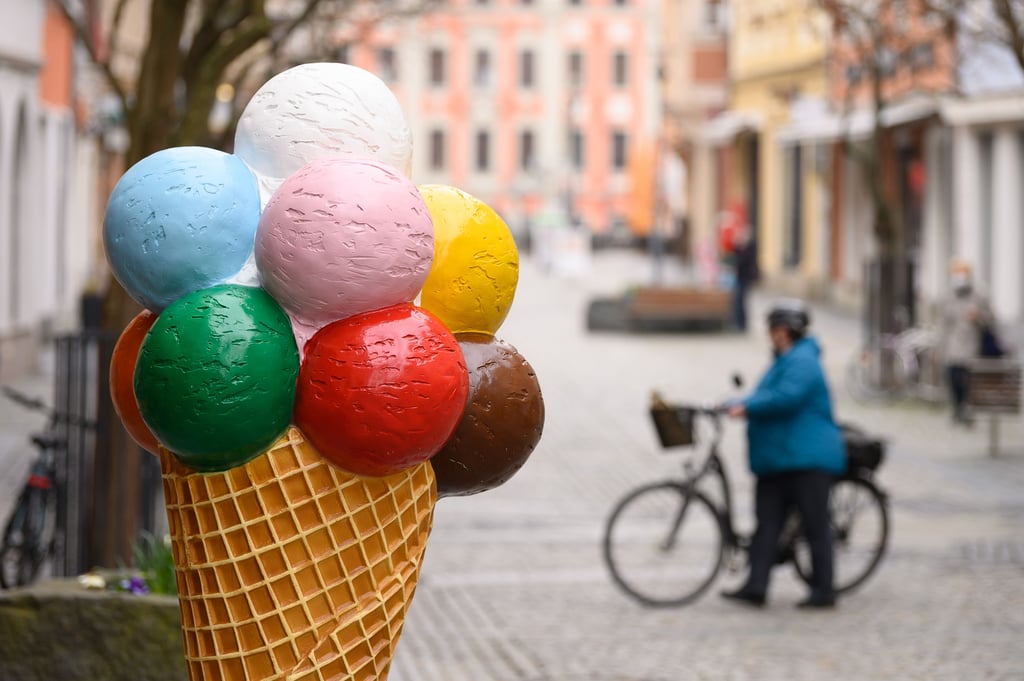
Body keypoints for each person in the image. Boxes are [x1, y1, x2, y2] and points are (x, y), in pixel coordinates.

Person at [721, 300, 846, 609]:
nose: (771, 335)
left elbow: (786, 398)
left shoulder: (803, 360)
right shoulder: (786, 358)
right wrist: (739, 401)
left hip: (806, 459)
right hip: (781, 459)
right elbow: (768, 395)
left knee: (816, 525)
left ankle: (824, 590)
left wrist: (746, 406)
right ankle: (756, 585)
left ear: (787, 331)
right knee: (767, 524)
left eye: (775, 329)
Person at [941, 260, 995, 427]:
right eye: (957, 273)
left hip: (972, 346)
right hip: (952, 346)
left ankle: (966, 410)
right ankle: (957, 409)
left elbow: (991, 320)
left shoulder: (979, 296)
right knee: (953, 377)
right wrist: (940, 346)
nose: (960, 277)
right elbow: (943, 324)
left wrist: (979, 316)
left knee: (968, 380)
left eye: (963, 273)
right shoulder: (948, 296)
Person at [731, 226, 759, 331]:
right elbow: (735, 255)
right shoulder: (741, 249)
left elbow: (742, 262)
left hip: (745, 278)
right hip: (740, 278)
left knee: (741, 301)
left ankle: (742, 324)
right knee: (739, 301)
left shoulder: (750, 249)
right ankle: (739, 322)